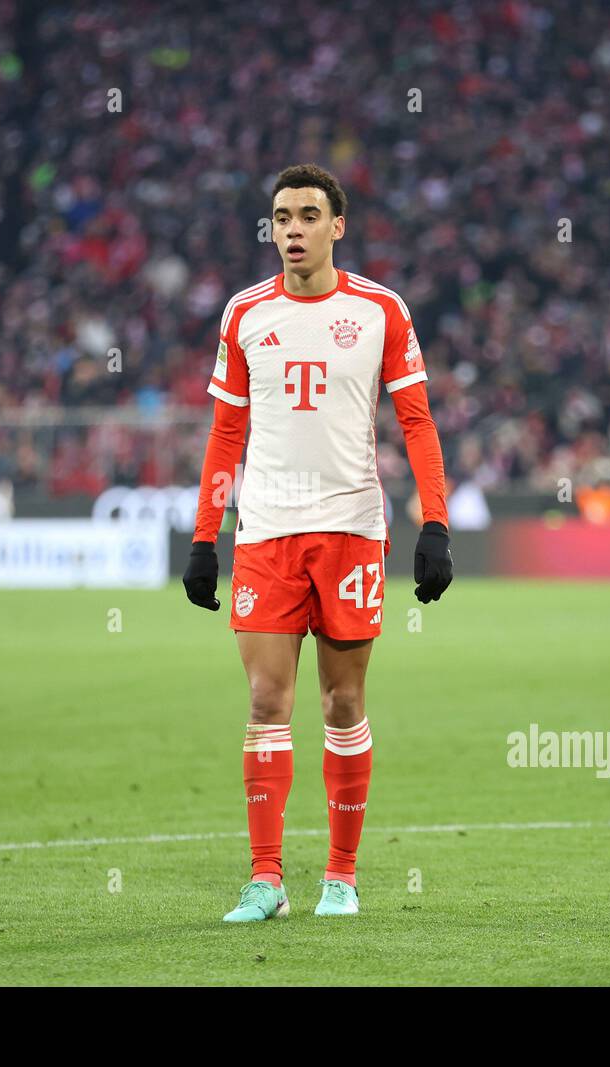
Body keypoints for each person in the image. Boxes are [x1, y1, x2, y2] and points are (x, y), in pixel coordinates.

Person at [182, 164, 453, 922]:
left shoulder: (380, 311)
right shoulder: (244, 315)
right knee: (267, 698)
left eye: (307, 215)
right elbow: (226, 432)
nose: (291, 229)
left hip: (350, 528)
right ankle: (266, 880)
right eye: (280, 216)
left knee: (342, 702)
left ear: (338, 225)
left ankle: (341, 876)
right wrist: (207, 536)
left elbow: (418, 423)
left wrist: (435, 523)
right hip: (265, 530)